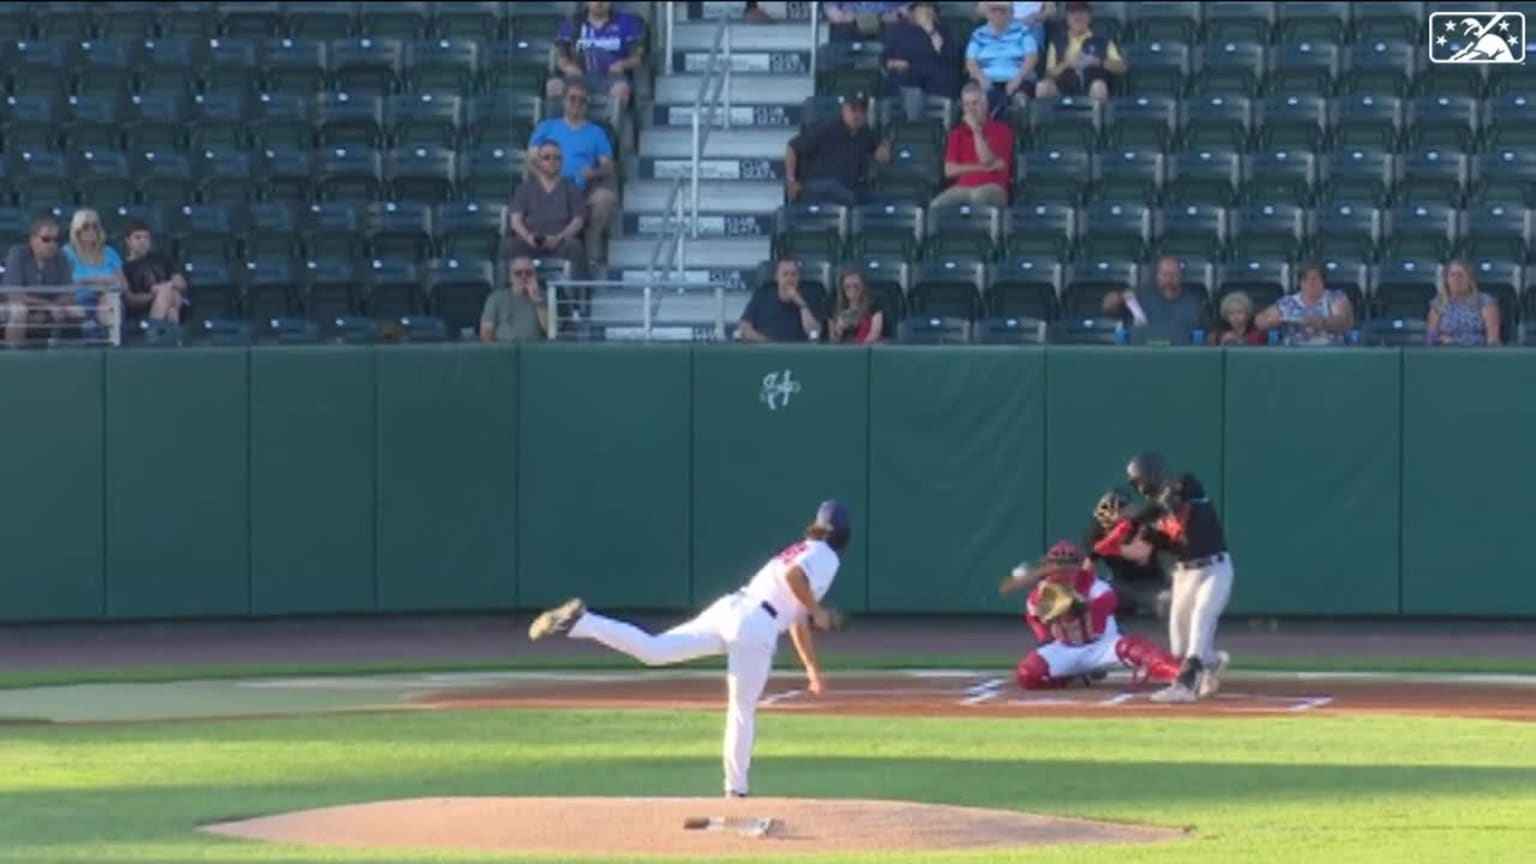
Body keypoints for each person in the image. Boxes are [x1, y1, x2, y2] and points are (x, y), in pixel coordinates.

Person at [528, 500, 852, 799]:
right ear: (843, 534)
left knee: (655, 650)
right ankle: (736, 792)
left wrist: (812, 668)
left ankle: (580, 622)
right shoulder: (826, 556)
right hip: (755, 626)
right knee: (741, 711)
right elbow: (796, 579)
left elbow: (796, 615)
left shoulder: (799, 549)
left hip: (732, 608)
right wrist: (819, 612)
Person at [1114, 452, 1233, 703]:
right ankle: (1212, 661)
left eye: (1139, 480)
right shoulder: (1153, 519)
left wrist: (1138, 518)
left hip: (1215, 569)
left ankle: (1185, 687)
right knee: (1180, 649)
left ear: (1151, 474)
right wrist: (1114, 541)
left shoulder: (1186, 485)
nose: (1137, 487)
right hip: (1184, 575)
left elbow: (1171, 501)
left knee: (1202, 617)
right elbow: (1142, 552)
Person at [998, 540, 1185, 691]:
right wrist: (1044, 636)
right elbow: (1033, 616)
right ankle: (1070, 677)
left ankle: (1184, 677)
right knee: (1026, 674)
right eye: (1058, 566)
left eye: (1068, 566)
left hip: (1101, 645)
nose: (1063, 571)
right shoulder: (1041, 594)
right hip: (1066, 647)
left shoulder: (1096, 586)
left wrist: (1082, 606)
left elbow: (1108, 602)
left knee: (1135, 647)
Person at [1083, 488, 1169, 620]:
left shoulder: (1142, 526)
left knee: (1166, 605)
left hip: (1152, 584)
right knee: (1094, 599)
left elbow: (1141, 555)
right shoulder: (1097, 533)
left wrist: (1109, 547)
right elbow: (1088, 566)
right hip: (1120, 584)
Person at [1253, 262, 1354, 347]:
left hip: (1330, 352)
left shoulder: (1335, 297)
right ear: (1300, 282)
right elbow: (1259, 320)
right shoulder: (1288, 302)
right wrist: (1271, 321)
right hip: (1295, 354)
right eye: (1305, 279)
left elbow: (1344, 322)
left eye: (1314, 279)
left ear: (1323, 281)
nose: (1310, 283)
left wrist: (1321, 323)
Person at [121, 219, 190, 324]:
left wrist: (164, 287)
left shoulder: (161, 259)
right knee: (171, 311)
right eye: (138, 237)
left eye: (146, 237)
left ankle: (154, 333)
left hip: (175, 298)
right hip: (147, 306)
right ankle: (166, 336)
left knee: (169, 294)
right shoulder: (124, 267)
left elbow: (181, 284)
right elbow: (130, 299)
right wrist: (155, 295)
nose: (143, 241)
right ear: (128, 240)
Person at [1426, 259, 1500, 346]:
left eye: (1461, 275)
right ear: (1446, 280)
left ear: (1470, 279)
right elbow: (1429, 338)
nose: (1456, 279)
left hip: (1476, 352)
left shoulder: (1485, 302)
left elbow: (1493, 339)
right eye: (1452, 275)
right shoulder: (1438, 303)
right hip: (1447, 352)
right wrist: (1439, 339)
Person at [829, 267, 886, 344]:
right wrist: (839, 328)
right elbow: (833, 339)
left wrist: (859, 350)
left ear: (863, 286)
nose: (852, 291)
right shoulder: (834, 305)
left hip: (865, 350)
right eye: (848, 287)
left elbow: (875, 333)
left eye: (856, 286)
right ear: (842, 288)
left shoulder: (874, 304)